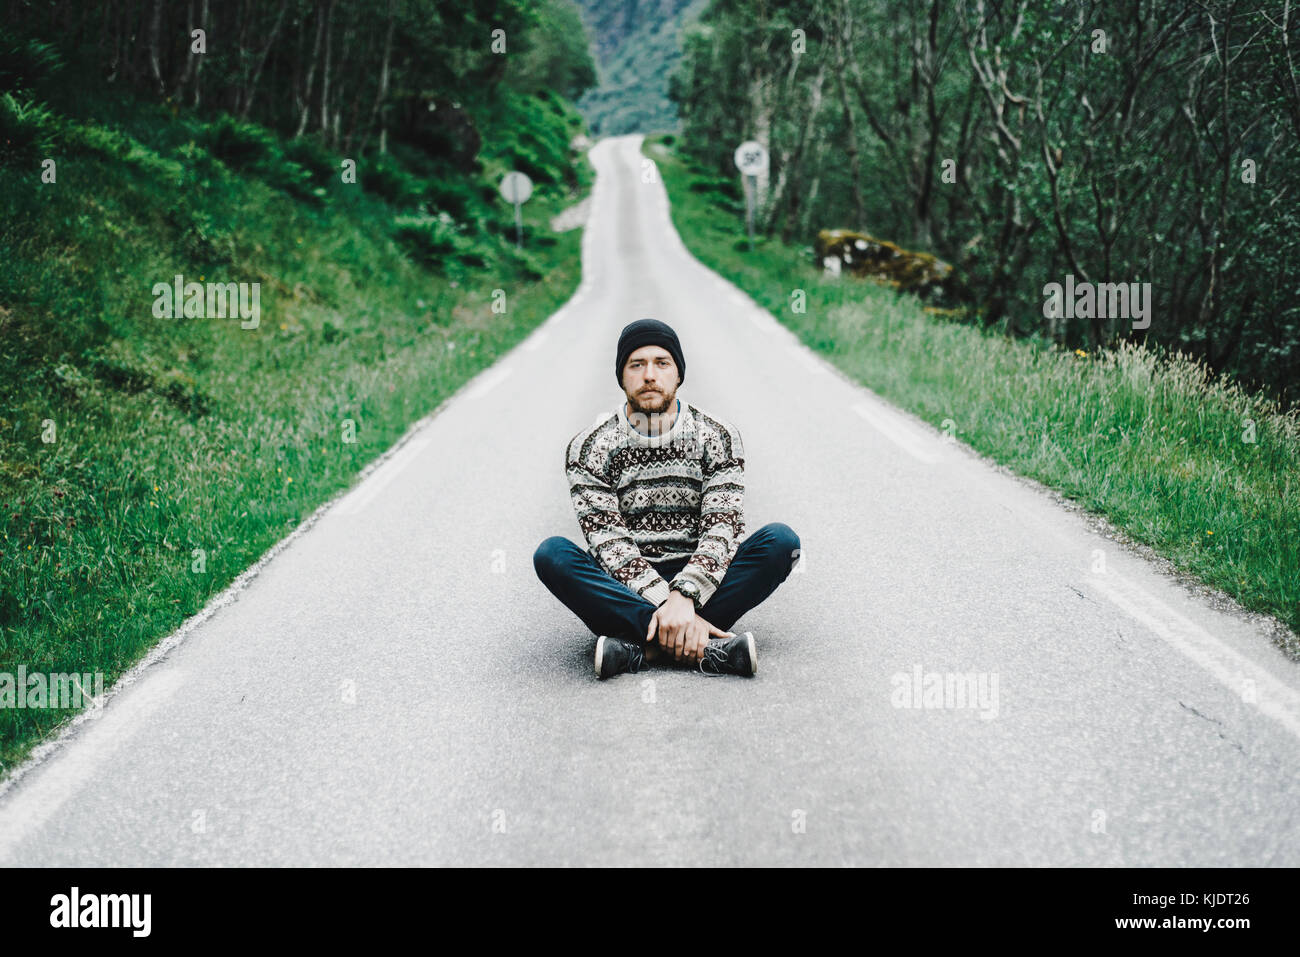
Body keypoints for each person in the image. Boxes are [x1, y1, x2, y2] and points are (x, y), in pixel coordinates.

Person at [533, 318, 801, 679]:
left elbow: (722, 528)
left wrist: (685, 595)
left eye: (662, 363)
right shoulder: (589, 448)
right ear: (621, 376)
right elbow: (609, 543)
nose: (649, 375)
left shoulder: (717, 436)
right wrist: (666, 602)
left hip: (706, 580)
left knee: (781, 542)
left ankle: (639, 650)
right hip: (625, 586)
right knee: (552, 555)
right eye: (636, 364)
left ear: (678, 374)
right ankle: (706, 648)